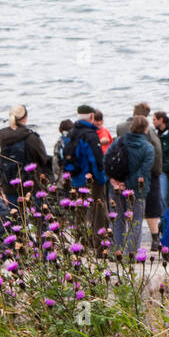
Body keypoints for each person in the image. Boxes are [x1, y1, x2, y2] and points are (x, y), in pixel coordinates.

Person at [116, 103, 164, 251]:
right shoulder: (147, 130)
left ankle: (123, 242)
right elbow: (156, 150)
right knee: (151, 206)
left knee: (126, 208)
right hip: (147, 173)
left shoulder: (120, 127)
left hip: (127, 173)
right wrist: (156, 172)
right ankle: (155, 238)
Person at [106, 115, 153, 256]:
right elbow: (143, 172)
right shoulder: (147, 147)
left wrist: (113, 180)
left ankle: (116, 252)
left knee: (117, 219)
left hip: (114, 186)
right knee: (135, 221)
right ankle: (131, 253)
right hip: (135, 190)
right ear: (145, 129)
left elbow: (106, 160)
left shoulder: (118, 141)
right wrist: (127, 184)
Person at [63, 104, 108, 244]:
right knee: (98, 213)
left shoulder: (71, 133)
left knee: (80, 213)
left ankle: (80, 244)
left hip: (76, 178)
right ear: (91, 116)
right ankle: (100, 247)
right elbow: (95, 160)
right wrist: (101, 179)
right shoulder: (90, 135)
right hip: (91, 180)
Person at [0, 104, 51, 198]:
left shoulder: (3, 136)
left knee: (15, 211)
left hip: (9, 184)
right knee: (35, 211)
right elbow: (43, 158)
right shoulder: (31, 137)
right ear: (25, 118)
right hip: (31, 186)